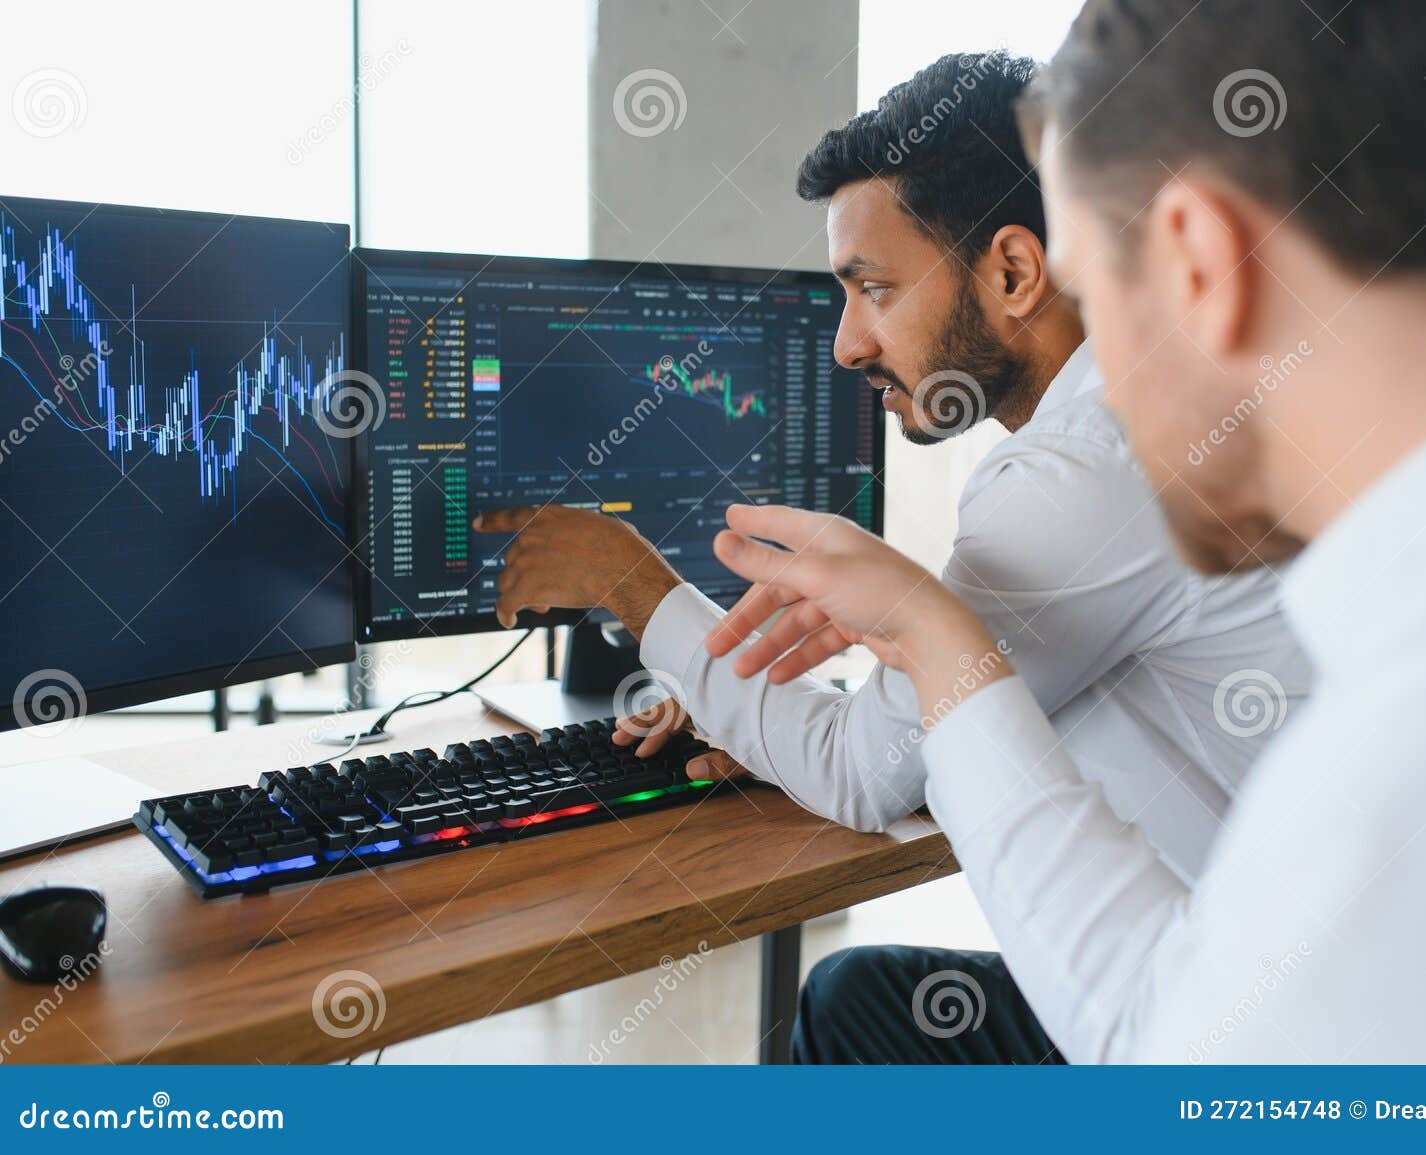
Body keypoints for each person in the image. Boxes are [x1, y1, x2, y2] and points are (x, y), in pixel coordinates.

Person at [704, 0, 1426, 1062]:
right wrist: (934, 639)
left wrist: (943, 653)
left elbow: (1169, 1063)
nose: (1100, 379)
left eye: (1090, 288)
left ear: (1199, 262)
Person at [475, 51, 1309, 1060]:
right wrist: (768, 716)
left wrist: (630, 583)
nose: (846, 344)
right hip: (1270, 975)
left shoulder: (1074, 478)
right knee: (858, 995)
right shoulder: (1165, 411)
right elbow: (924, 740)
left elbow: (864, 773)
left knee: (859, 1005)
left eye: (873, 288)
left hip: (1232, 1038)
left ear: (1012, 271)